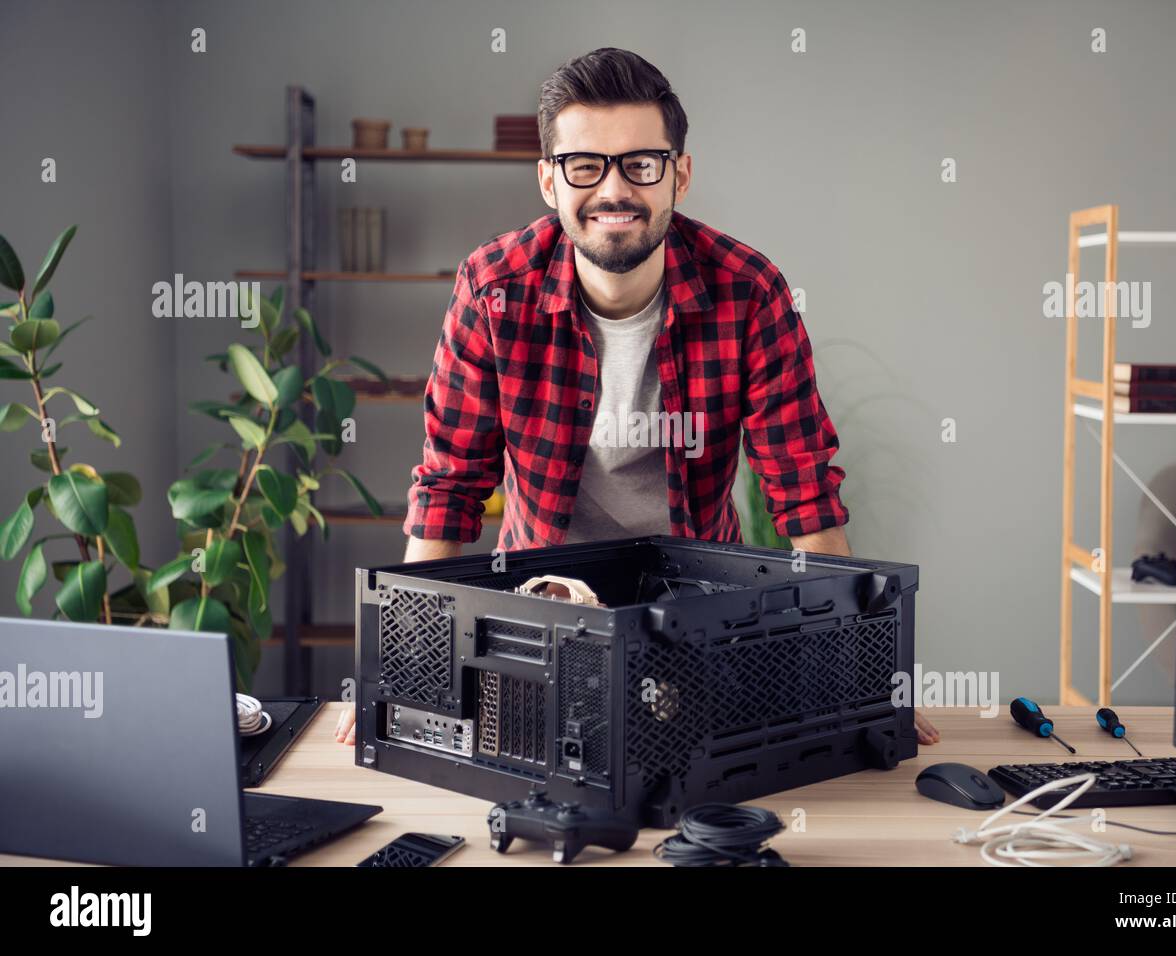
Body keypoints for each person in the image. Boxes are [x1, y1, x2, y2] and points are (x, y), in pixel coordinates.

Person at [336, 47, 939, 747]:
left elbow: (803, 489)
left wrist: (858, 673)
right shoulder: (493, 288)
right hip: (540, 624)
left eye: (641, 164)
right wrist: (406, 662)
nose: (614, 191)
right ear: (548, 181)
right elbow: (450, 484)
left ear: (679, 173)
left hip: (701, 623)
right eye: (585, 165)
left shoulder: (749, 291)